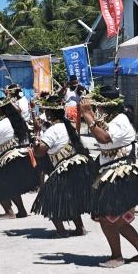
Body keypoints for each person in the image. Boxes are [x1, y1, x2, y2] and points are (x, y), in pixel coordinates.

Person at [79, 84, 138, 268]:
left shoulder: (119, 120)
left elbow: (104, 138)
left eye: (98, 105)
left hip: (122, 175)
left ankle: (117, 256)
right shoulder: (110, 118)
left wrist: (88, 115)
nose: (97, 109)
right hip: (111, 172)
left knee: (108, 217)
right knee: (115, 219)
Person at [31, 92, 92, 236]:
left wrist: (36, 137)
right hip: (77, 167)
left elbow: (39, 152)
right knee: (70, 198)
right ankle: (80, 228)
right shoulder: (68, 126)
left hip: (63, 168)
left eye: (46, 111)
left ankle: (61, 231)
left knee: (49, 199)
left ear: (50, 113)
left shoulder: (52, 131)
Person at [0, 94, 36, 219]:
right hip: (21, 158)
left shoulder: (2, 124)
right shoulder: (18, 120)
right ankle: (21, 211)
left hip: (10, 158)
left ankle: (9, 212)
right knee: (12, 186)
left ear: (1, 110)